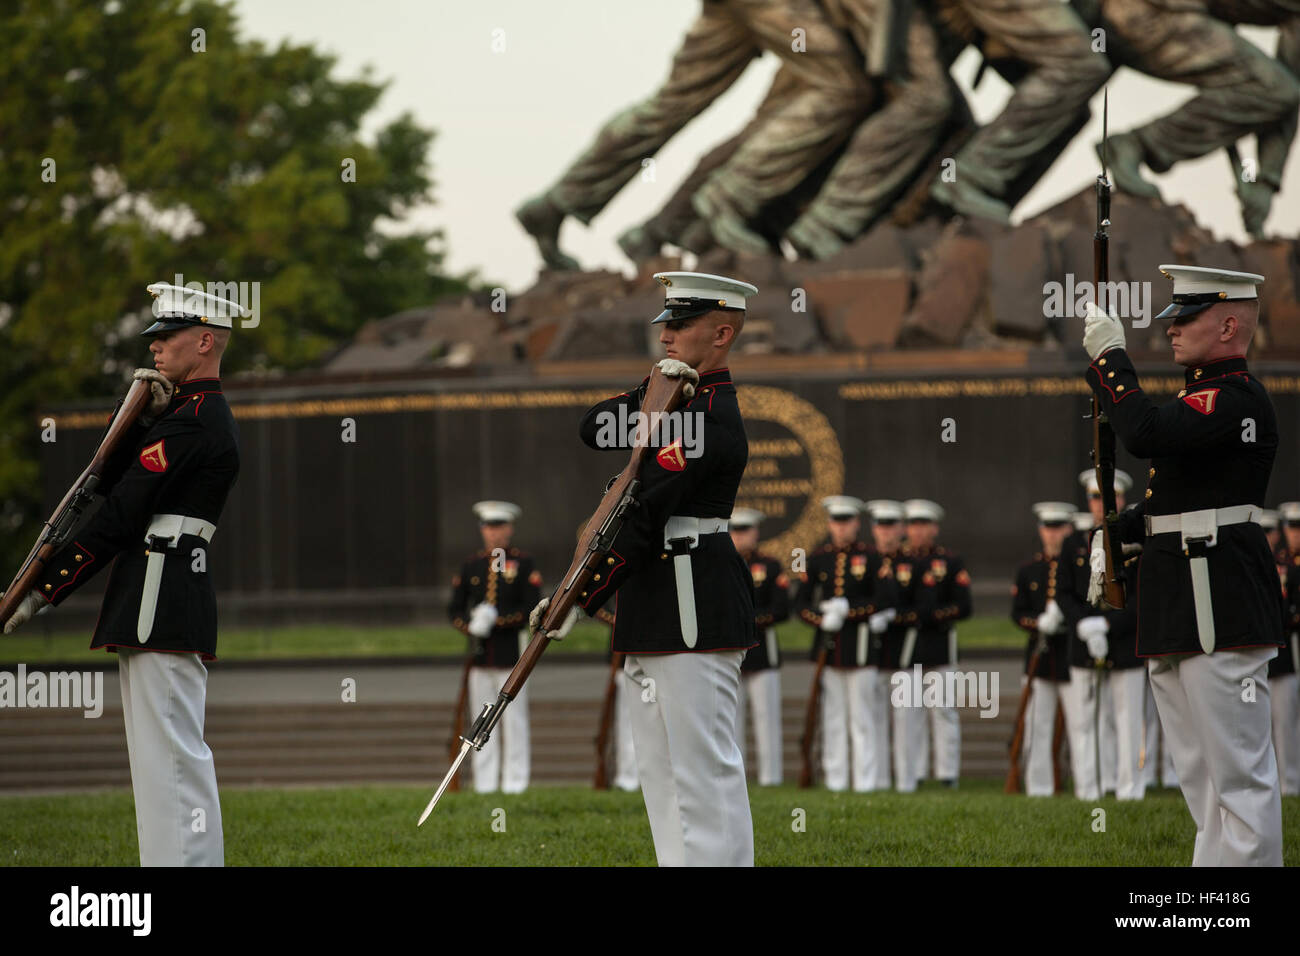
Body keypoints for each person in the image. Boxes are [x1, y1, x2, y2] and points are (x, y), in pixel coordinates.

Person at [4, 281, 245, 866]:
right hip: (155, 598)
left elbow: (117, 512)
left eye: (167, 337)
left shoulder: (196, 419)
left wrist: (42, 587)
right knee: (160, 761)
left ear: (206, 341)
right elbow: (109, 481)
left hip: (160, 600)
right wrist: (135, 420)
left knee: (172, 759)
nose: (155, 347)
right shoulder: (182, 413)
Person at [540, 271, 758, 867]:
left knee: (701, 775)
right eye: (665, 323)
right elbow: (591, 429)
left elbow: (640, 511)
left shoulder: (710, 420)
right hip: (658, 605)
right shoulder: (675, 403)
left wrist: (577, 594)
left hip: (690, 605)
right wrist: (651, 392)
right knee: (664, 777)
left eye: (680, 325)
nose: (665, 335)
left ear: (719, 334)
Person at [1082, 263, 1285, 865]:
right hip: (1181, 600)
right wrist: (1115, 532)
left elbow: (1142, 431)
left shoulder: (1233, 398)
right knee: (1201, 781)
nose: (1171, 330)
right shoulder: (1202, 400)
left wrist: (1112, 360)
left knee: (1240, 780)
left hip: (1219, 600)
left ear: (1227, 325)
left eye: (1185, 318)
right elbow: (1178, 497)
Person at [795, 495, 898, 791]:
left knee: (862, 717)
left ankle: (865, 781)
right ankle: (836, 779)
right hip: (829, 648)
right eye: (836, 522)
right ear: (829, 524)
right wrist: (821, 617)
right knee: (833, 717)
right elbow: (800, 604)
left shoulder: (871, 557)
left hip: (861, 647)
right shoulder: (818, 558)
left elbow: (885, 598)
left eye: (847, 522)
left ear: (856, 523)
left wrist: (849, 610)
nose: (841, 528)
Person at [448, 500, 542, 794]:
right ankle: (485, 783)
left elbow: (532, 608)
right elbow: (454, 609)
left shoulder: (523, 564)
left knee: (514, 721)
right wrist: (471, 624)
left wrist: (497, 620)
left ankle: (515, 781)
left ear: (510, 529)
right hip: (479, 657)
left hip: (512, 656)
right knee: (480, 721)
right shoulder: (471, 565)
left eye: (499, 526)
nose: (493, 533)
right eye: (488, 527)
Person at [896, 498, 970, 787]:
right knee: (909, 713)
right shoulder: (898, 562)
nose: (918, 530)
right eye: (913, 524)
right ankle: (913, 773)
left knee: (943, 710)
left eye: (924, 524)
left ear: (934, 528)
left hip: (940, 643)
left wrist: (929, 615)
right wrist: (911, 616)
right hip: (908, 646)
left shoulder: (950, 562)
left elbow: (964, 606)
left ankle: (947, 773)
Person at [1010, 502, 1077, 796]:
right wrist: (1038, 623)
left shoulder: (1078, 567)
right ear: (1041, 531)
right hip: (1039, 657)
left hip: (1072, 656)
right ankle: (1039, 787)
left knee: (1079, 726)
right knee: (1037, 726)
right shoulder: (1029, 570)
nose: (1053, 535)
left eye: (1059, 528)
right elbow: (1017, 612)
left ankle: (1085, 785)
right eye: (1048, 528)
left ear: (1069, 529)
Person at [732, 507, 790, 786]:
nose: (740, 536)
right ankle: (737, 777)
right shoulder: (723, 564)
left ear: (756, 532)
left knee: (767, 718)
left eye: (745, 530)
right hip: (732, 653)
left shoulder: (770, 565)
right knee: (732, 722)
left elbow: (781, 609)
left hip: (763, 651)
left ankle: (771, 777)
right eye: (736, 530)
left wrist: (747, 619)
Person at [865, 498, 909, 791]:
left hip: (904, 651)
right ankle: (879, 778)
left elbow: (922, 605)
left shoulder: (912, 562)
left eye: (891, 525)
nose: (885, 532)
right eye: (881, 526)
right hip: (870, 653)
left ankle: (906, 780)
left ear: (901, 529)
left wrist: (896, 615)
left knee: (905, 722)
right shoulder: (866, 562)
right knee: (874, 719)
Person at [1270, 500, 1300, 795]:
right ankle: (1287, 783)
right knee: (1279, 720)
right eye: (1293, 527)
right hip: (1283, 655)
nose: (1296, 534)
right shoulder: (1277, 564)